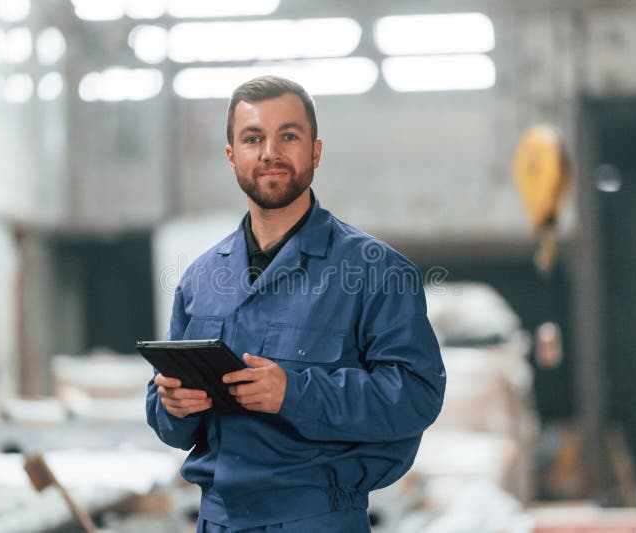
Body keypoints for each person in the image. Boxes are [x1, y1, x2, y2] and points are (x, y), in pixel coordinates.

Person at [146, 75, 446, 533]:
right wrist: (173, 405)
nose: (270, 152)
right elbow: (166, 415)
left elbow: (417, 395)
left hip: (318, 519)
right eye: (253, 139)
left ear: (315, 152)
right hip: (217, 520)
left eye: (288, 136)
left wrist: (295, 393)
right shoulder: (201, 279)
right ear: (232, 157)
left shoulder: (375, 271)